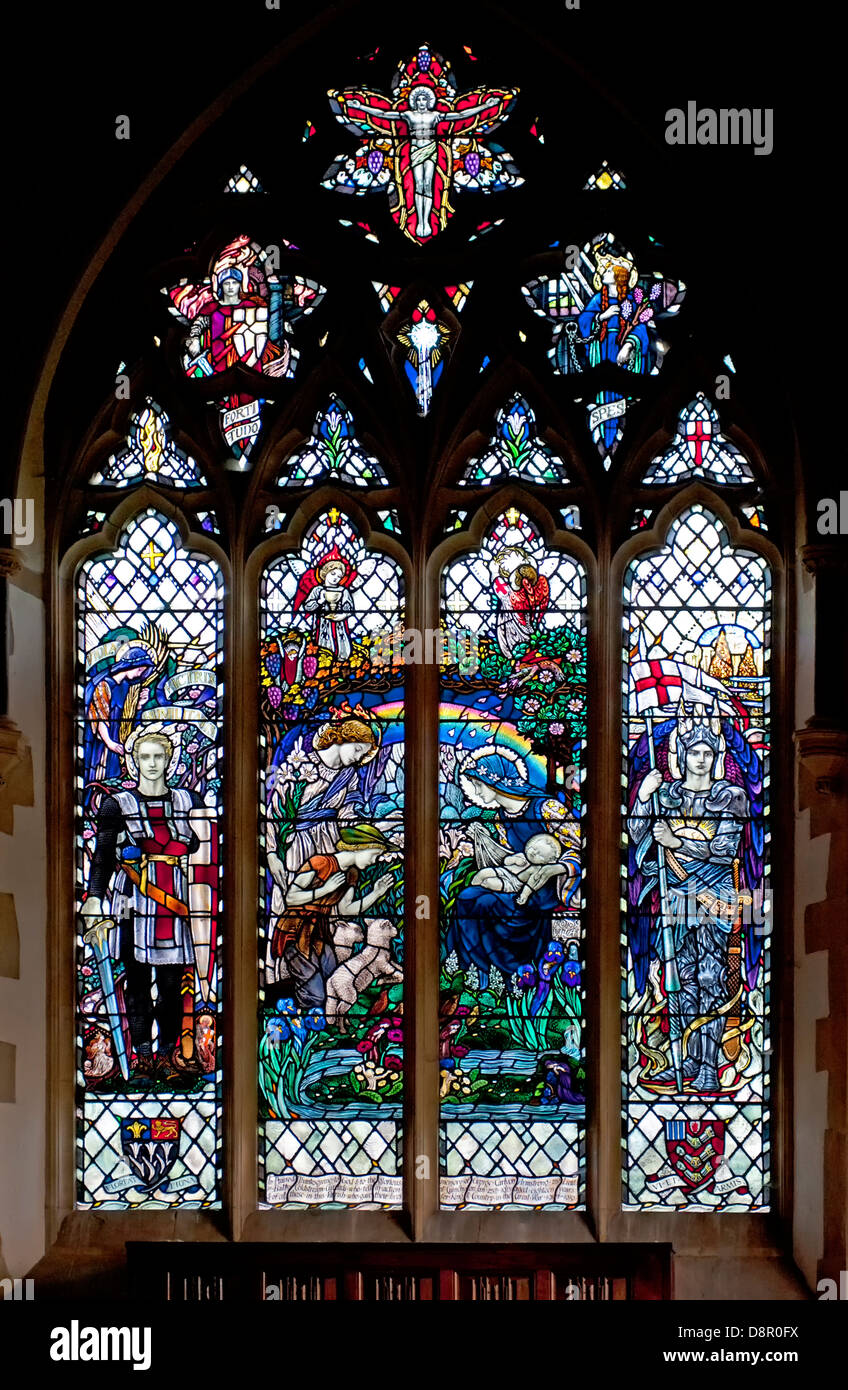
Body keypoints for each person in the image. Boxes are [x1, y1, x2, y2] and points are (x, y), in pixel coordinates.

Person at [627, 700, 749, 1092]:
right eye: (692, 752)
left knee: (711, 977)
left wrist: (677, 839)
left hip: (715, 898)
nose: (699, 758)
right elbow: (641, 841)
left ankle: (710, 1065)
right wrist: (644, 799)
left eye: (707, 752)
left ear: (716, 756)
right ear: (681, 755)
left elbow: (725, 848)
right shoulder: (669, 795)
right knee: (679, 980)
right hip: (677, 896)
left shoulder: (730, 796)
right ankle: (684, 1057)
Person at [80, 727, 213, 1083]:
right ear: (133, 760)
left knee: (171, 986)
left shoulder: (191, 802)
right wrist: (94, 896)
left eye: (159, 757)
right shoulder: (116, 805)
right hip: (132, 900)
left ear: (169, 760)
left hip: (179, 901)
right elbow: (103, 855)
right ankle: (141, 1057)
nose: (152, 764)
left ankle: (169, 1055)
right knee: (136, 982)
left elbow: (208, 856)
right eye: (145, 757)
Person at [337, 83, 514, 239]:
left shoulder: (436, 115)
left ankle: (425, 222)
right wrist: (360, 107)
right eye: (419, 99)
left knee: (427, 185)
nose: (422, 102)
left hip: (431, 150)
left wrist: (485, 106)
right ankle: (420, 220)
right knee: (417, 185)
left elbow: (461, 115)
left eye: (424, 99)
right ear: (415, 101)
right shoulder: (408, 115)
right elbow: (383, 114)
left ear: (429, 101)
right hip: (415, 150)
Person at [268, 824, 398, 1010]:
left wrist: (376, 894)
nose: (374, 861)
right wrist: (324, 890)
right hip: (296, 931)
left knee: (330, 979)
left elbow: (347, 910)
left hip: (320, 932)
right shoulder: (321, 863)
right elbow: (291, 897)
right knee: (315, 996)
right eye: (374, 854)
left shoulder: (351, 874)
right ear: (361, 847)